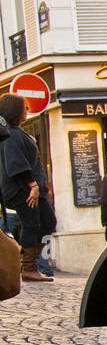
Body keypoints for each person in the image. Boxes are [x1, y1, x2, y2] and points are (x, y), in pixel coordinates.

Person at [0, 93, 56, 282]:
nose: (28, 110)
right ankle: (28, 268)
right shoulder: (12, 134)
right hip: (22, 189)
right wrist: (32, 185)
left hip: (29, 188)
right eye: (25, 107)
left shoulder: (15, 132)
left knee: (48, 222)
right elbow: (16, 164)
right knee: (31, 224)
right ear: (16, 110)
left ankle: (26, 263)